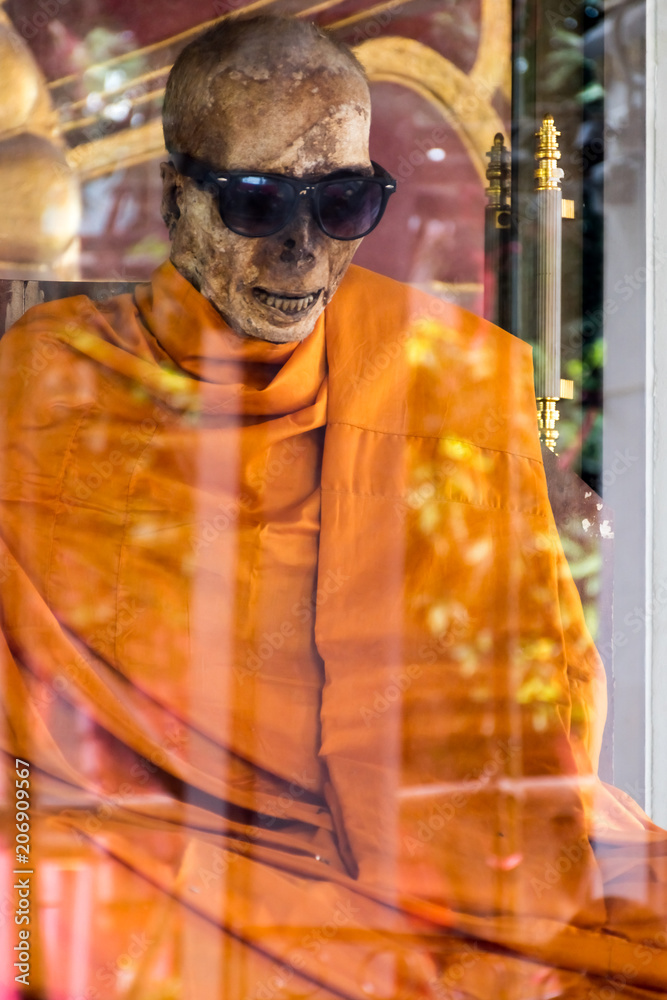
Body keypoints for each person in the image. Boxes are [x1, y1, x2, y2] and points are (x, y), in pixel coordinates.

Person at [1, 15, 666, 1000]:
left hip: (421, 861)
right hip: (143, 842)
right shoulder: (47, 384)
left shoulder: (439, 379)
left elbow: (523, 740)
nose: (303, 255)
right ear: (174, 198)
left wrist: (526, 484)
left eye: (343, 202)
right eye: (258, 205)